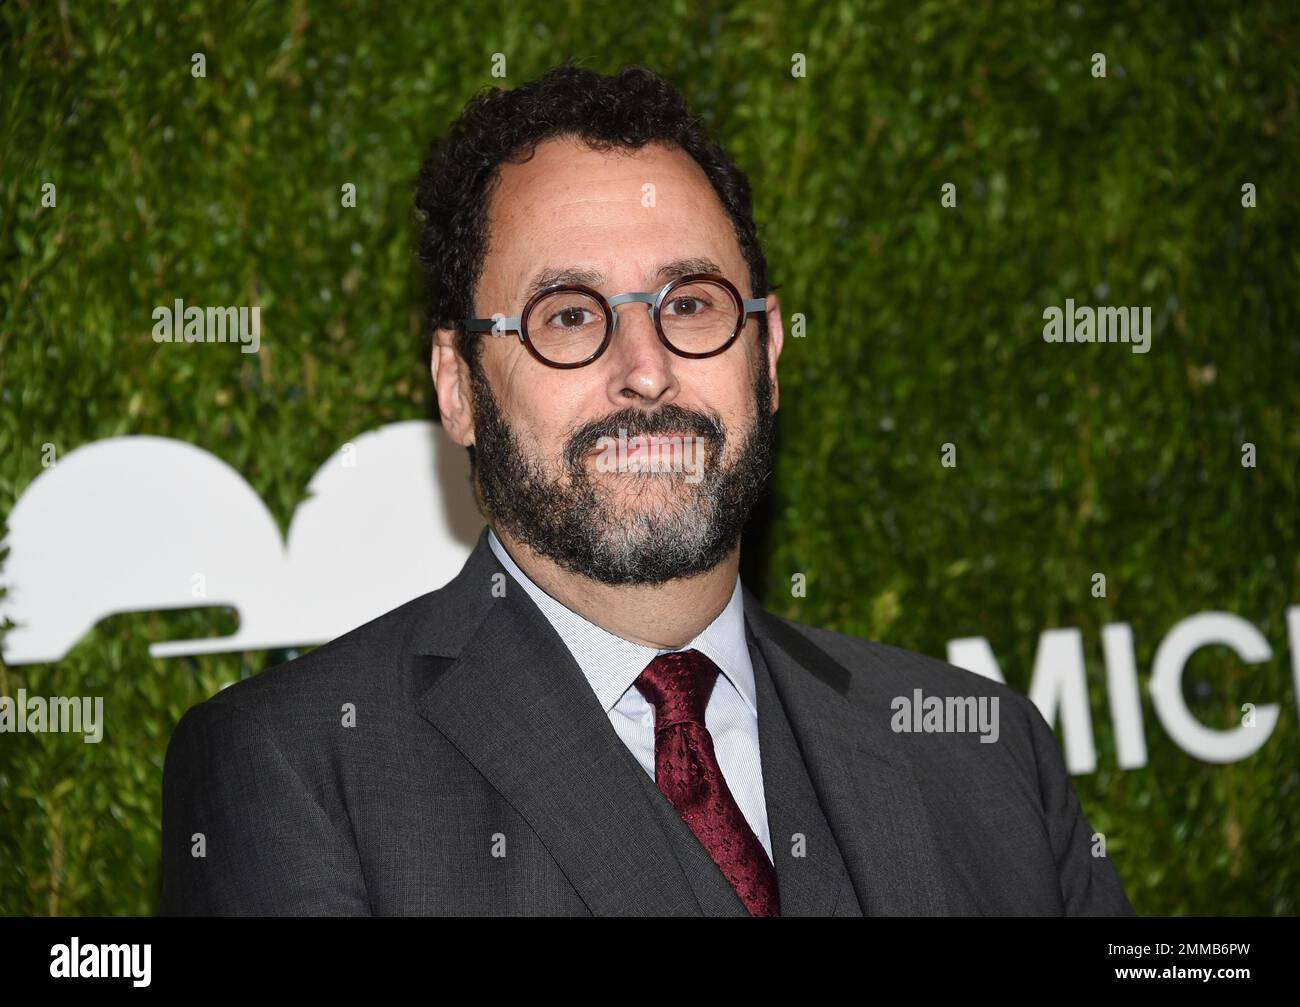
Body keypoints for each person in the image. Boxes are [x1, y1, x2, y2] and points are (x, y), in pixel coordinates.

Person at [160, 61, 1134, 917]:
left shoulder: (985, 748)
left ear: (771, 350)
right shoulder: (295, 769)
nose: (646, 366)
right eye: (570, 315)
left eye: (692, 304)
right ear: (457, 385)